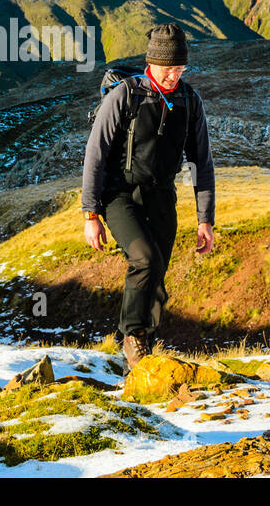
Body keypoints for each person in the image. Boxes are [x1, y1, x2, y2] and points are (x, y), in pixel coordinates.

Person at [80, 22, 216, 372]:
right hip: (118, 194)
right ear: (151, 63)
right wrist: (90, 215)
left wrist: (205, 219)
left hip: (162, 196)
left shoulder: (189, 101)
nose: (173, 76)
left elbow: (201, 161)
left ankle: (141, 353)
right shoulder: (125, 96)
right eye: (167, 68)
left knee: (157, 274)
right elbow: (95, 153)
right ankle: (133, 338)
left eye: (179, 68)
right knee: (144, 260)